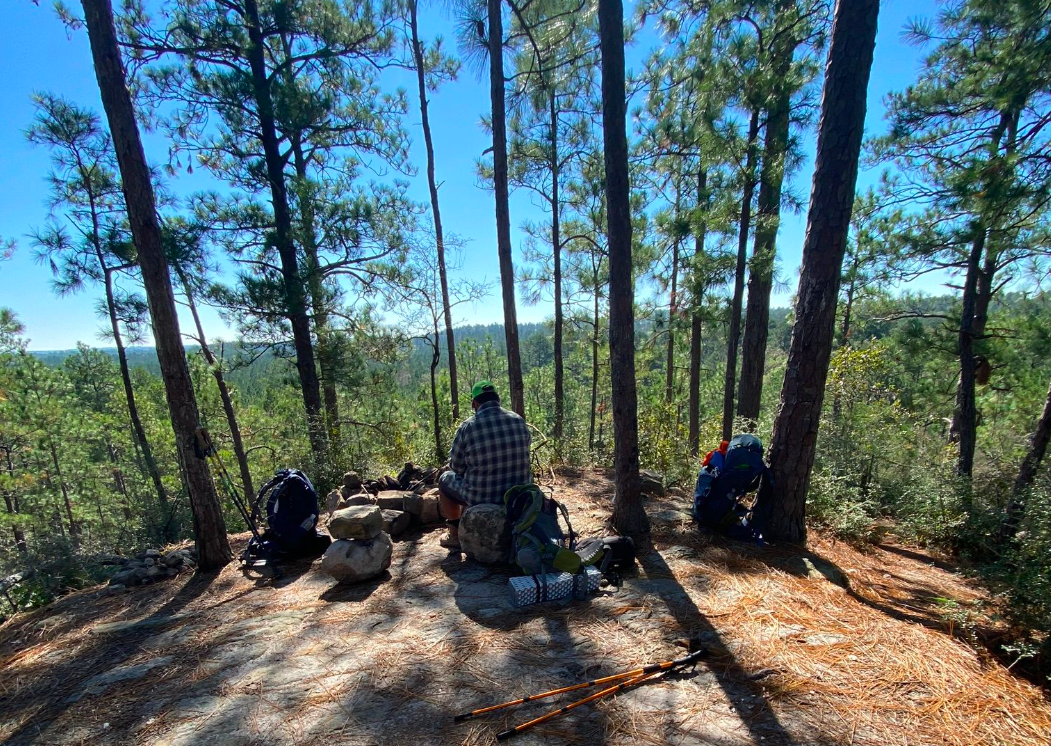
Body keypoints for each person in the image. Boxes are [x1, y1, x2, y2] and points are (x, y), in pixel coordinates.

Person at [437, 381, 532, 549]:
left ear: (475, 403)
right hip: (519, 495)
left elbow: (457, 468)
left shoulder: (467, 427)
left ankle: (454, 534)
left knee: (445, 479)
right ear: (497, 399)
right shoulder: (518, 420)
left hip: (482, 497)